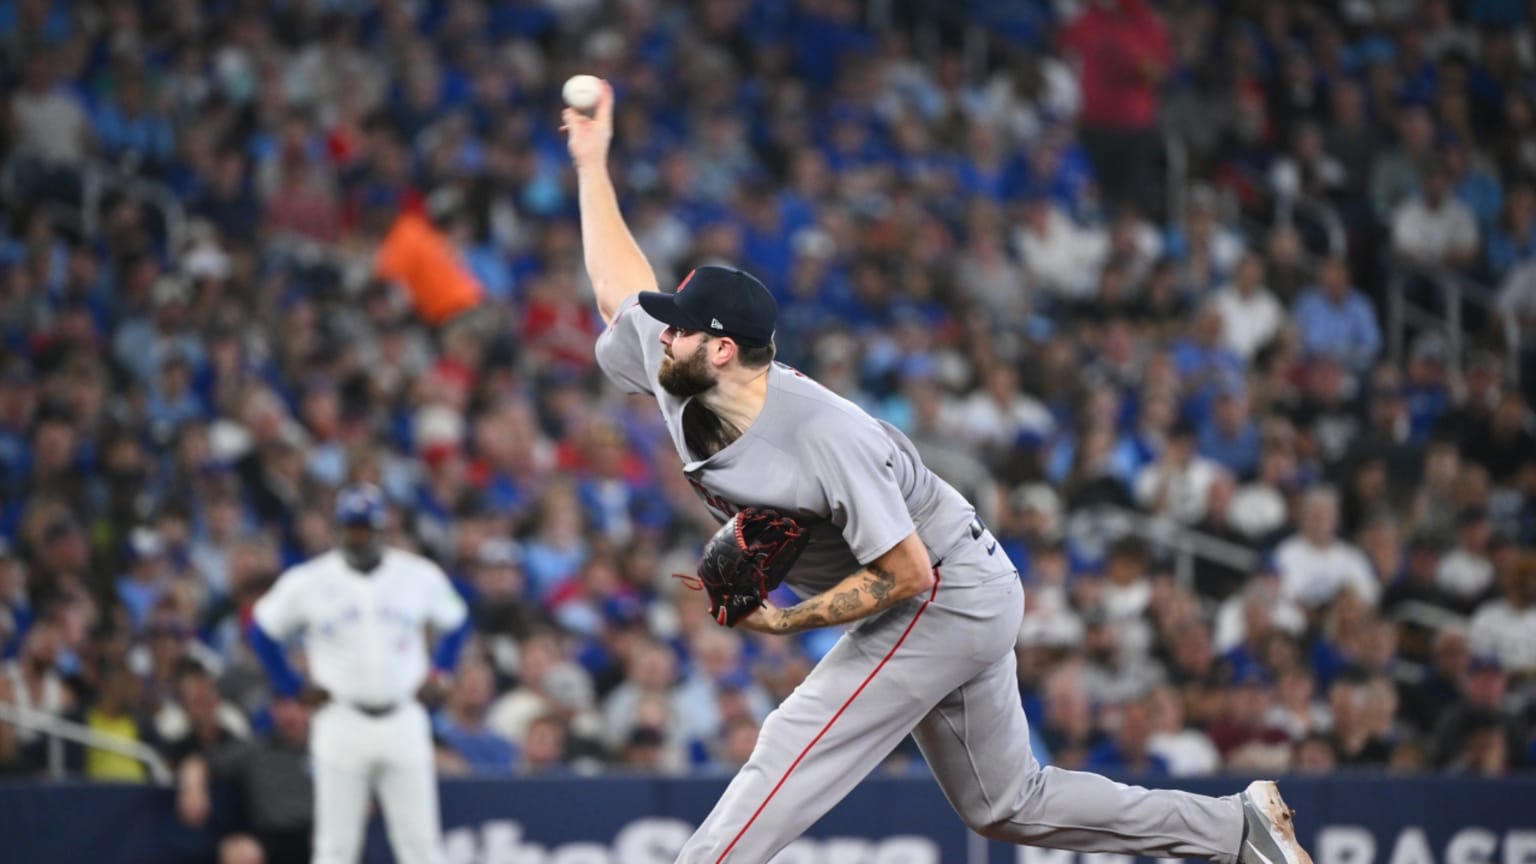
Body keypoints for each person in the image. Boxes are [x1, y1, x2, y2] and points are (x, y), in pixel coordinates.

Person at [565, 80, 1312, 864]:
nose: (660, 338)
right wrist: (592, 162)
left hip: (940, 585)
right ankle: (1235, 829)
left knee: (797, 735)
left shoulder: (823, 435)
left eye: (681, 331)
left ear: (722, 350)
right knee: (1004, 802)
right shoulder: (681, 360)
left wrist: (785, 623)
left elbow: (907, 575)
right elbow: (621, 293)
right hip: (964, 579)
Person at [247, 484, 470, 864]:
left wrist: (441, 673)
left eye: (365, 528)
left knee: (420, 845)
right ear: (337, 530)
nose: (358, 536)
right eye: (351, 527)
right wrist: (291, 686)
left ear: (382, 530)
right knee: (335, 846)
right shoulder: (309, 581)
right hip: (341, 720)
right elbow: (262, 631)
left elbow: (457, 620)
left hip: (403, 718)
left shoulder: (418, 575)